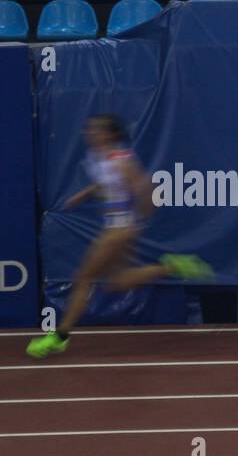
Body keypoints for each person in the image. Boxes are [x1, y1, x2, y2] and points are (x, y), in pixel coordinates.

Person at [26, 115, 213, 359]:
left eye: (97, 130)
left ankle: (60, 337)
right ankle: (171, 266)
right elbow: (105, 185)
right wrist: (84, 195)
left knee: (84, 278)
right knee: (119, 282)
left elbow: (143, 188)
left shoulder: (121, 159)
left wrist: (136, 219)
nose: (90, 133)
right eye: (90, 129)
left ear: (110, 135)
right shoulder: (101, 158)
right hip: (117, 228)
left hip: (119, 230)